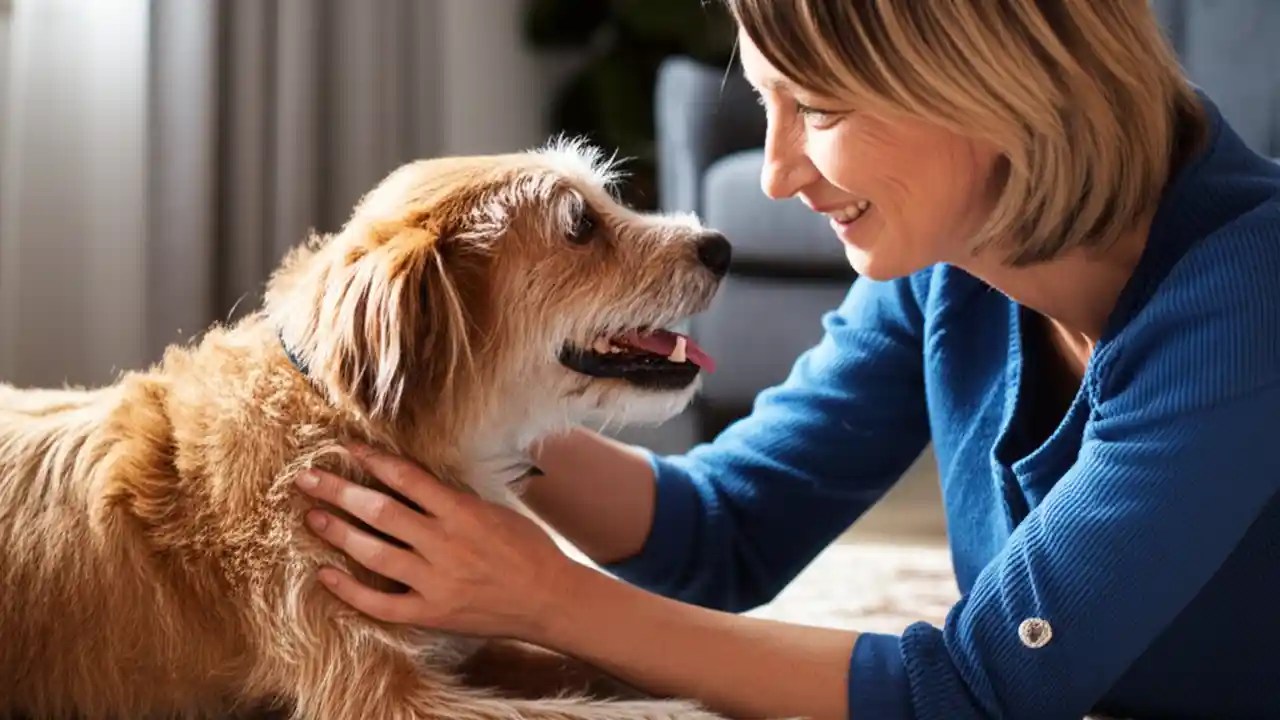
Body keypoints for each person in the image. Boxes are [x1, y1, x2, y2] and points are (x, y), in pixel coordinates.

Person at [291, 1, 1280, 718]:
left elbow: (981, 690)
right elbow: (725, 531)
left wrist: (547, 599)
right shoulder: (956, 253)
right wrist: (455, 377)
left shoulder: (1248, 296)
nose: (774, 174)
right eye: (767, 104)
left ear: (987, 87)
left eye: (817, 109)